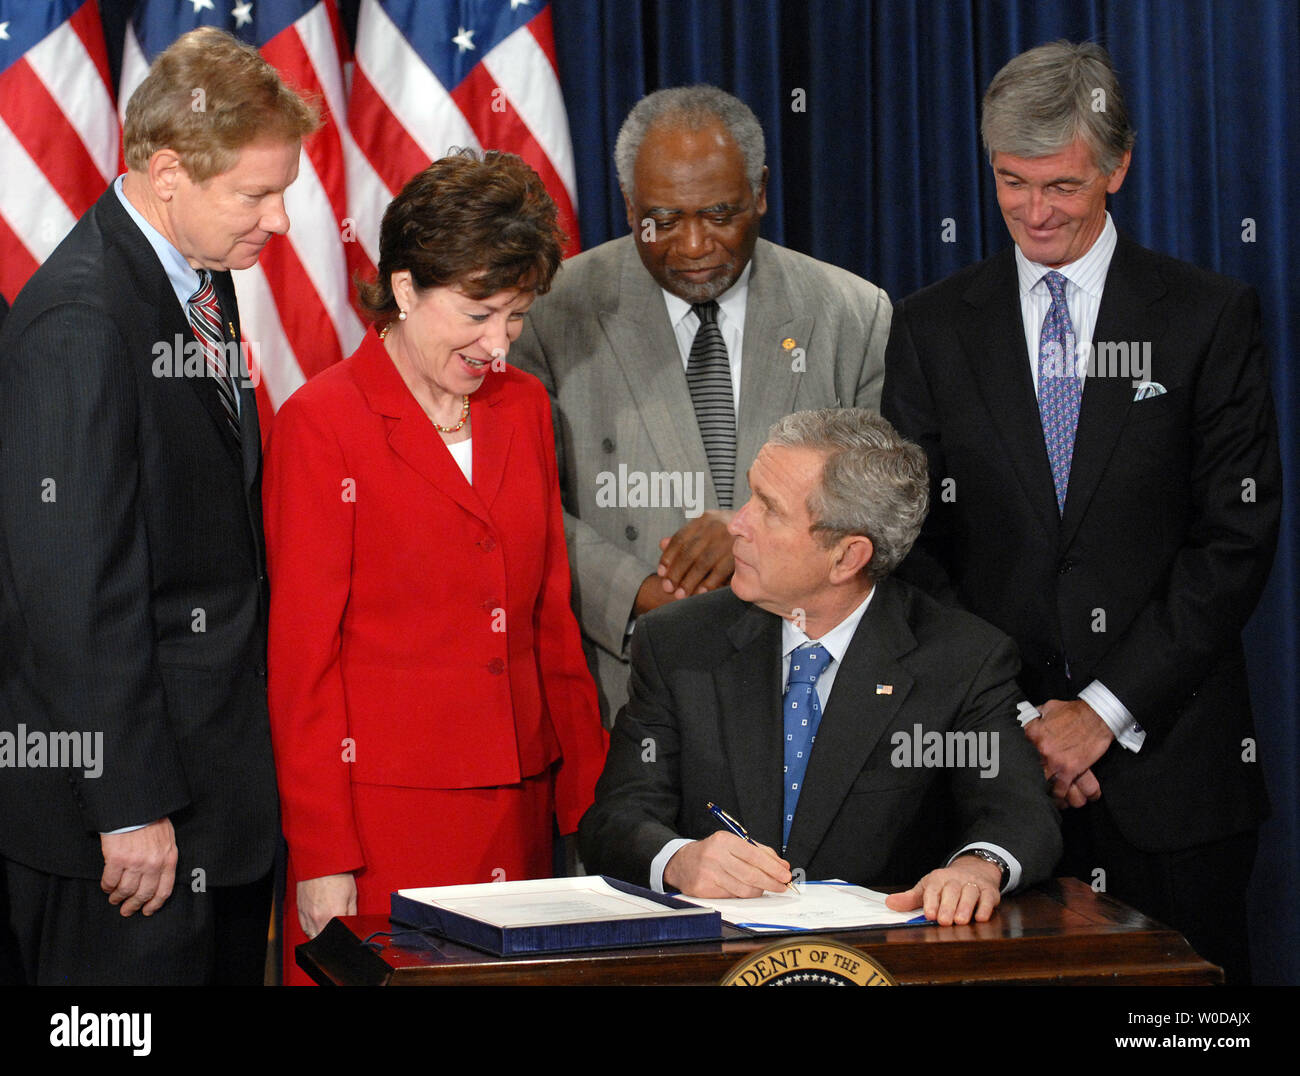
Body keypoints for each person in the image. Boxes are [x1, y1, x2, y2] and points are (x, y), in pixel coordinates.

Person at [882, 41, 1280, 982]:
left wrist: (1101, 711)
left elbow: (1235, 537)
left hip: (1173, 776)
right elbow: (915, 548)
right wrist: (1021, 714)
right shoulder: (935, 326)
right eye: (1010, 182)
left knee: (1186, 1033)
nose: (1033, 211)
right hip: (988, 779)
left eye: (1060, 185)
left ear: (1118, 167)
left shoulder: (1205, 317)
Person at [0, 28, 317, 985]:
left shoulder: (197, 275)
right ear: (168, 171)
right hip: (127, 833)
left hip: (211, 804)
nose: (280, 221)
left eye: (285, 192)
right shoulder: (83, 321)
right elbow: (70, 594)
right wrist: (129, 804)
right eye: (255, 195)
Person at [264, 150, 609, 985]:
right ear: (407, 287)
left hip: (522, 810)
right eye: (479, 313)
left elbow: (550, 618)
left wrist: (595, 808)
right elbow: (302, 662)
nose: (499, 344)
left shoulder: (525, 408)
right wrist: (323, 854)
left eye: (518, 317)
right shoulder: (322, 423)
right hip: (385, 825)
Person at [580, 410, 1061, 925]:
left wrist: (976, 867)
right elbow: (616, 817)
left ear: (847, 557)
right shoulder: (679, 641)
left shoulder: (962, 658)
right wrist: (677, 859)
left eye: (769, 509)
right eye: (750, 496)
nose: (736, 524)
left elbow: (1018, 812)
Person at [512, 85, 892, 725]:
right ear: (629, 205)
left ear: (762, 192)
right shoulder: (550, 312)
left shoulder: (852, 315)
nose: (692, 246)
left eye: (720, 214)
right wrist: (635, 595)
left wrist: (748, 529)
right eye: (662, 219)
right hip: (619, 694)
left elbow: (883, 515)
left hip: (804, 696)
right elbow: (523, 504)